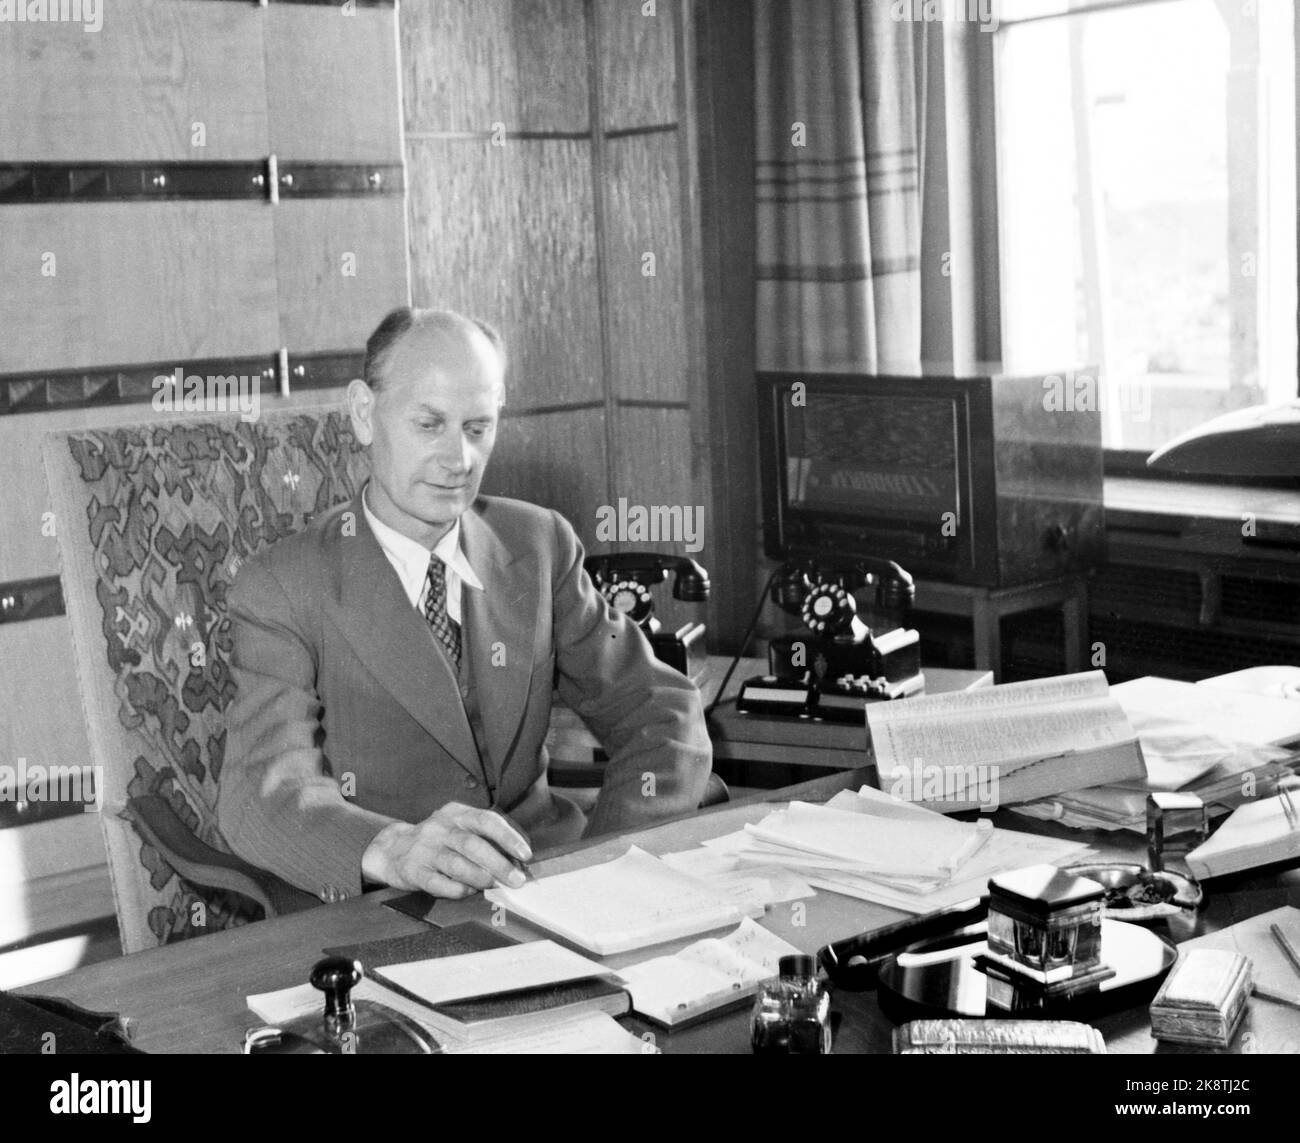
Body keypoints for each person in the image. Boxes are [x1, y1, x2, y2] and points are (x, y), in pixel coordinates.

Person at [218, 308, 712, 904]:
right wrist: (393, 849)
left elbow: (660, 710)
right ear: (364, 414)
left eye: (478, 428)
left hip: (548, 887)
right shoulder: (284, 585)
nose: (459, 460)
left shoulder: (538, 544)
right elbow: (264, 793)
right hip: (383, 908)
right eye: (429, 425)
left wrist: (608, 862)